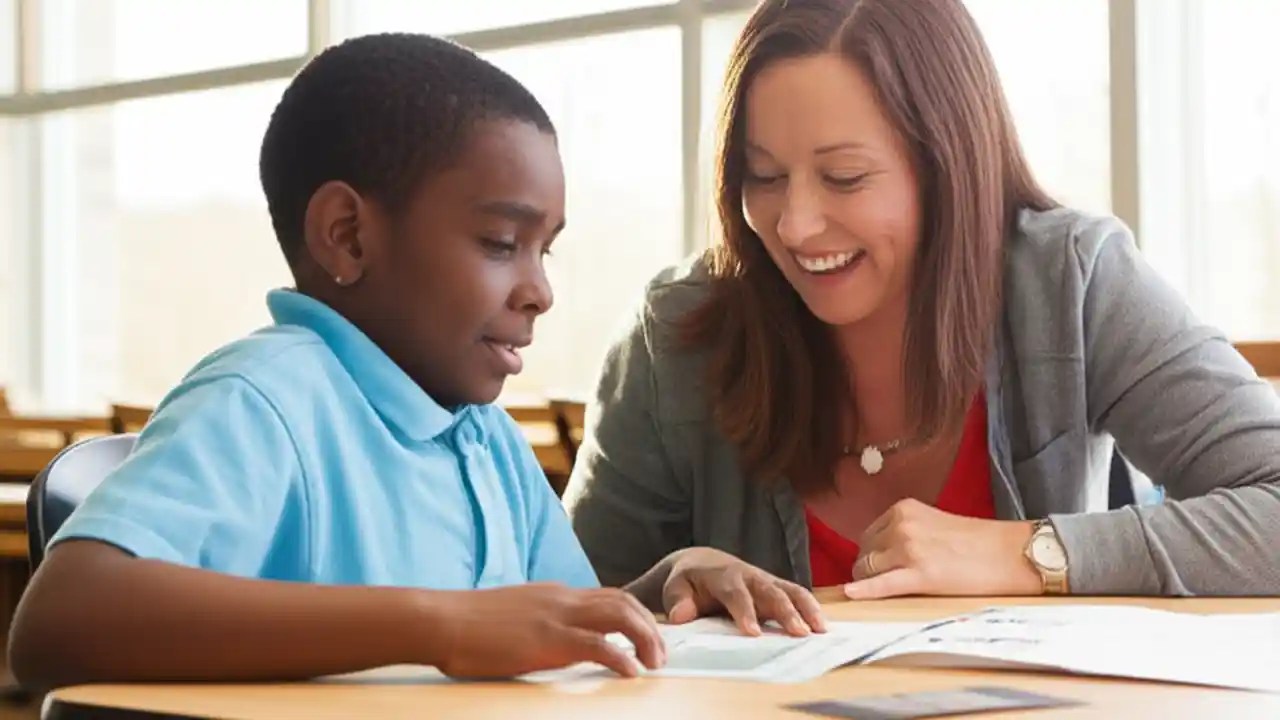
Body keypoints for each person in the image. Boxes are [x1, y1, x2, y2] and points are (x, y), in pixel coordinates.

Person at [7, 33, 824, 693]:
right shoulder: (264, 401)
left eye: (546, 251)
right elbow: (60, 622)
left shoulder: (484, 437)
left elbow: (551, 618)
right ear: (349, 237)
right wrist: (440, 623)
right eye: (502, 244)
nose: (539, 290)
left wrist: (669, 580)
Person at [564, 0, 1280, 600]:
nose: (794, 225)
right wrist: (665, 583)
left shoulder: (1073, 279)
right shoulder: (676, 333)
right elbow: (562, 601)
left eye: (844, 177)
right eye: (764, 176)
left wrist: (1026, 554)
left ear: (950, 166)